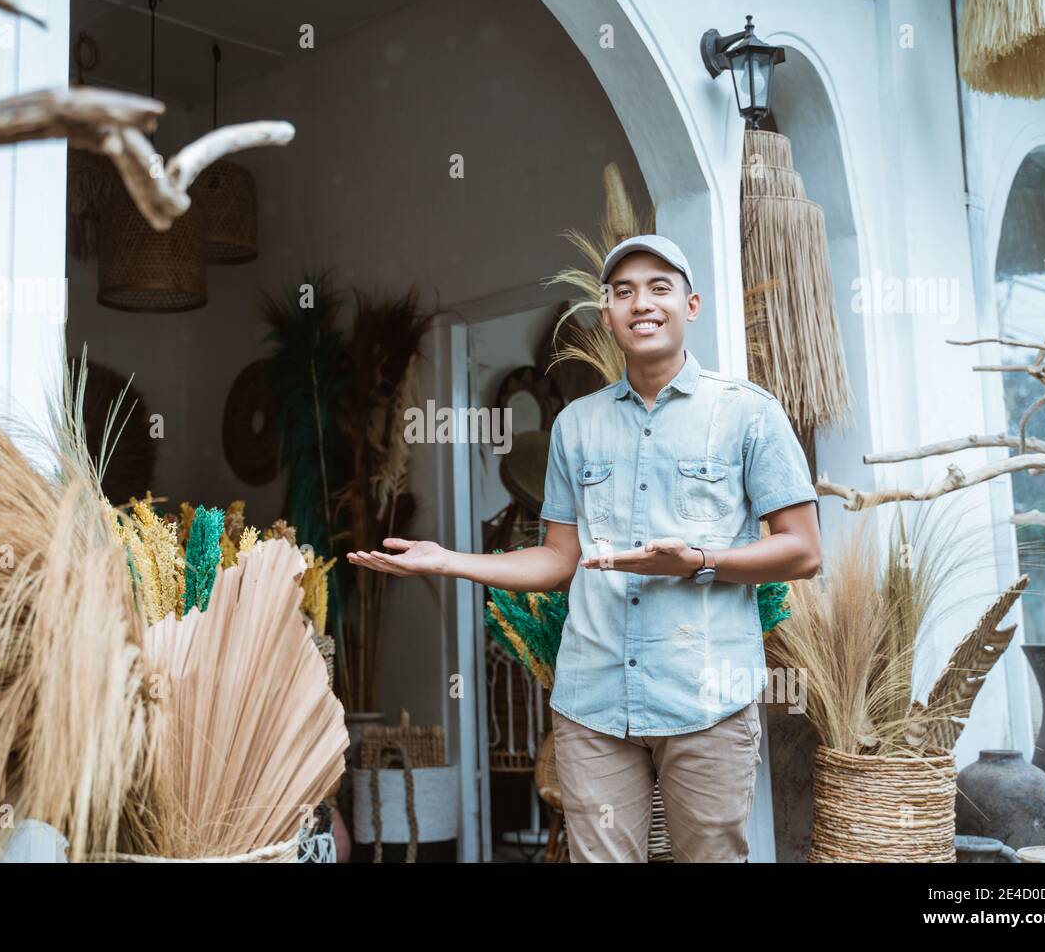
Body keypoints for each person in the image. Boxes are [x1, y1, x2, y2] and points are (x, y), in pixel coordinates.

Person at [347, 234, 822, 862]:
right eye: (623, 292)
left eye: (659, 288)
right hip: (594, 702)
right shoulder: (576, 425)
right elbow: (557, 559)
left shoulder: (747, 414)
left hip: (706, 702)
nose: (641, 303)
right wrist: (448, 560)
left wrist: (700, 562)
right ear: (608, 315)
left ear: (692, 305)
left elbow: (803, 550)